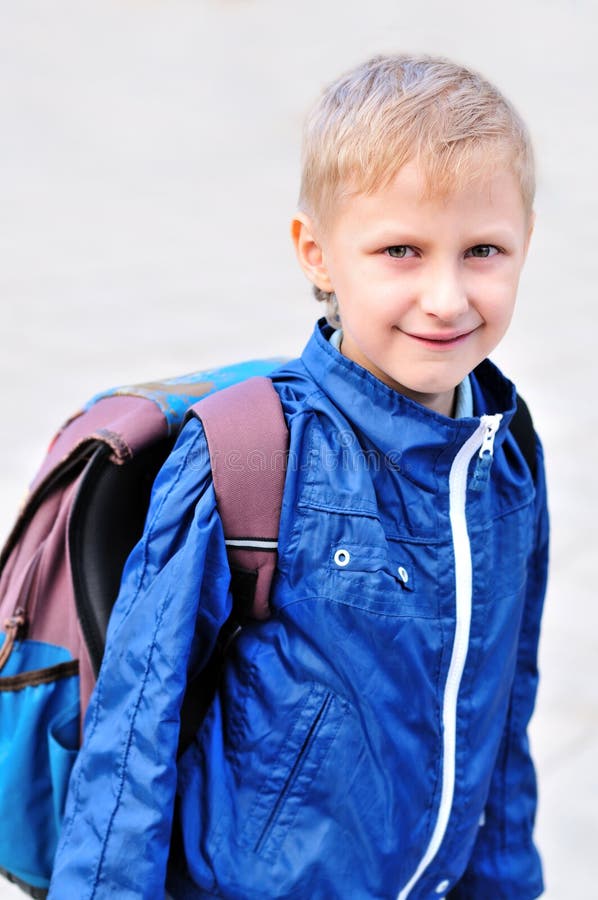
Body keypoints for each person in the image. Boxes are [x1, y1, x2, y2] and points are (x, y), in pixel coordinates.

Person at [49, 54, 548, 899]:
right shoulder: (249, 454)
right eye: (401, 250)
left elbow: (502, 719)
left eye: (483, 251)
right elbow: (130, 742)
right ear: (316, 253)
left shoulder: (504, 456)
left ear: (526, 243)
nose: (446, 295)